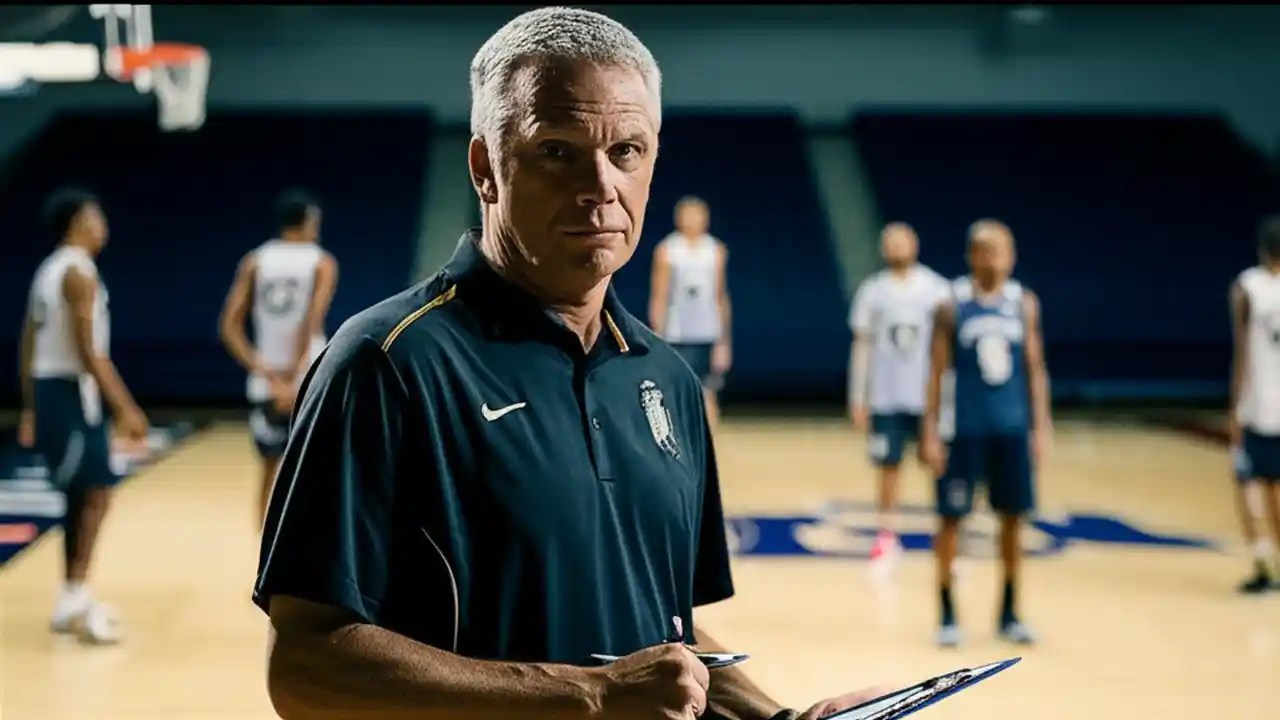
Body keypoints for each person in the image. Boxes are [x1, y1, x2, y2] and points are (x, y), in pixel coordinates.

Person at [252, 8, 880, 720]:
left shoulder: (666, 380)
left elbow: (663, 633)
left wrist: (779, 719)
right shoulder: (386, 364)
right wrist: (586, 696)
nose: (600, 184)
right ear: (486, 167)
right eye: (557, 150)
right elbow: (303, 667)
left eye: (627, 152)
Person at [16, 187, 149, 645]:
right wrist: (127, 408)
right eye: (95, 215)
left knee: (91, 494)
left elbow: (28, 343)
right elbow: (88, 351)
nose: (102, 223)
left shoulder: (49, 269)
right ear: (76, 222)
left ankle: (74, 593)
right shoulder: (77, 272)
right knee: (91, 494)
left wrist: (31, 404)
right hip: (70, 391)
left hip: (60, 391)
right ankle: (72, 596)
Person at [922, 219, 1052, 648]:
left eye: (1003, 249)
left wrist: (1041, 425)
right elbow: (937, 372)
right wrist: (930, 431)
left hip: (1011, 429)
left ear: (1012, 255)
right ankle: (947, 611)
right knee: (950, 519)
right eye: (987, 250)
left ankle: (1010, 612)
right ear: (972, 255)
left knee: (1013, 519)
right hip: (964, 429)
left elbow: (1035, 368)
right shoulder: (951, 304)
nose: (995, 258)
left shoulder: (1023, 303)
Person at [218, 190, 338, 526]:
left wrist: (261, 368)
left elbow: (228, 325)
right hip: (306, 376)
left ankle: (262, 557)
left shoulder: (255, 261)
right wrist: (293, 379)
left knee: (269, 470)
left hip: (265, 379)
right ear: (309, 221)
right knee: (312, 467)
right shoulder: (322, 262)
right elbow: (310, 323)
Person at [847, 222, 949, 570]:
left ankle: (946, 534)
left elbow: (947, 348)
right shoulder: (873, 292)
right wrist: (858, 396)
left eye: (903, 241)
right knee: (888, 467)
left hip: (927, 398)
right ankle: (887, 536)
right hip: (886, 396)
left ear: (915, 244)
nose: (897, 247)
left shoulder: (936, 290)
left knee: (936, 463)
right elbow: (862, 346)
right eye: (890, 242)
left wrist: (948, 395)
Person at [1227, 213, 1280, 594]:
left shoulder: (1248, 286)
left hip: (1258, 401)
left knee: (1246, 481)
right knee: (1276, 488)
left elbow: (1242, 351)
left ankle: (1264, 559)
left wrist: (1233, 406)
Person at [649, 196, 732, 427]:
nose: (693, 220)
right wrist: (657, 332)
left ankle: (708, 448)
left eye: (698, 215)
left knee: (708, 393)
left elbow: (720, 295)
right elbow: (659, 295)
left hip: (706, 331)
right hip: (677, 332)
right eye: (688, 215)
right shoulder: (668, 250)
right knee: (675, 391)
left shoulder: (715, 250)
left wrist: (724, 341)